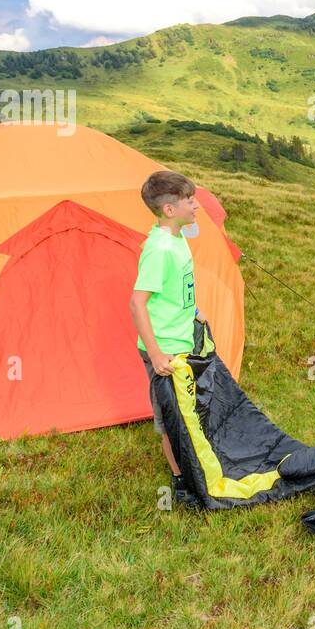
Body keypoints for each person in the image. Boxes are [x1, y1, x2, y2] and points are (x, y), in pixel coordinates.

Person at [128, 170, 205, 497]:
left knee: (187, 411)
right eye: (190, 201)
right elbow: (137, 303)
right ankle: (180, 482)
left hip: (182, 340)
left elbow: (179, 285)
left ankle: (192, 465)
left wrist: (194, 310)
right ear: (169, 210)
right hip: (165, 351)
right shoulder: (159, 249)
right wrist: (157, 354)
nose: (196, 206)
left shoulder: (178, 237)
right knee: (169, 419)